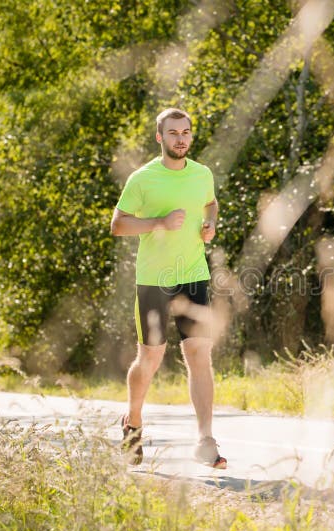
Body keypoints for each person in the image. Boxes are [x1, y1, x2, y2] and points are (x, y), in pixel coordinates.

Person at [110, 108, 225, 468]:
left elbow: (210, 204)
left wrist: (210, 226)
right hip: (154, 281)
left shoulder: (202, 174)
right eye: (173, 133)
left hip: (194, 276)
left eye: (186, 132)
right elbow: (118, 225)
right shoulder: (143, 179)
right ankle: (133, 422)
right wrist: (158, 221)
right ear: (160, 137)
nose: (181, 139)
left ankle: (206, 439)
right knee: (150, 358)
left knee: (199, 354)